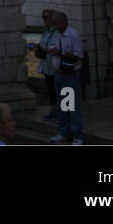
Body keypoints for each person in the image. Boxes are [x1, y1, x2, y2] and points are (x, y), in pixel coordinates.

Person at [47, 11, 85, 145]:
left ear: (63, 22)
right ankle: (64, 132)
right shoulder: (56, 34)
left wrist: (61, 53)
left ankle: (77, 135)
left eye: (55, 22)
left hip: (70, 75)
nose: (54, 25)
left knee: (72, 106)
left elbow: (78, 55)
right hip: (59, 75)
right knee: (62, 105)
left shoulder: (73, 35)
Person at [34, 9, 60, 122]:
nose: (45, 20)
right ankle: (53, 111)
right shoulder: (46, 31)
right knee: (50, 89)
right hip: (47, 65)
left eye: (47, 17)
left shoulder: (59, 32)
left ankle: (63, 113)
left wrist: (49, 50)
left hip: (57, 67)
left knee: (60, 90)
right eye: (43, 17)